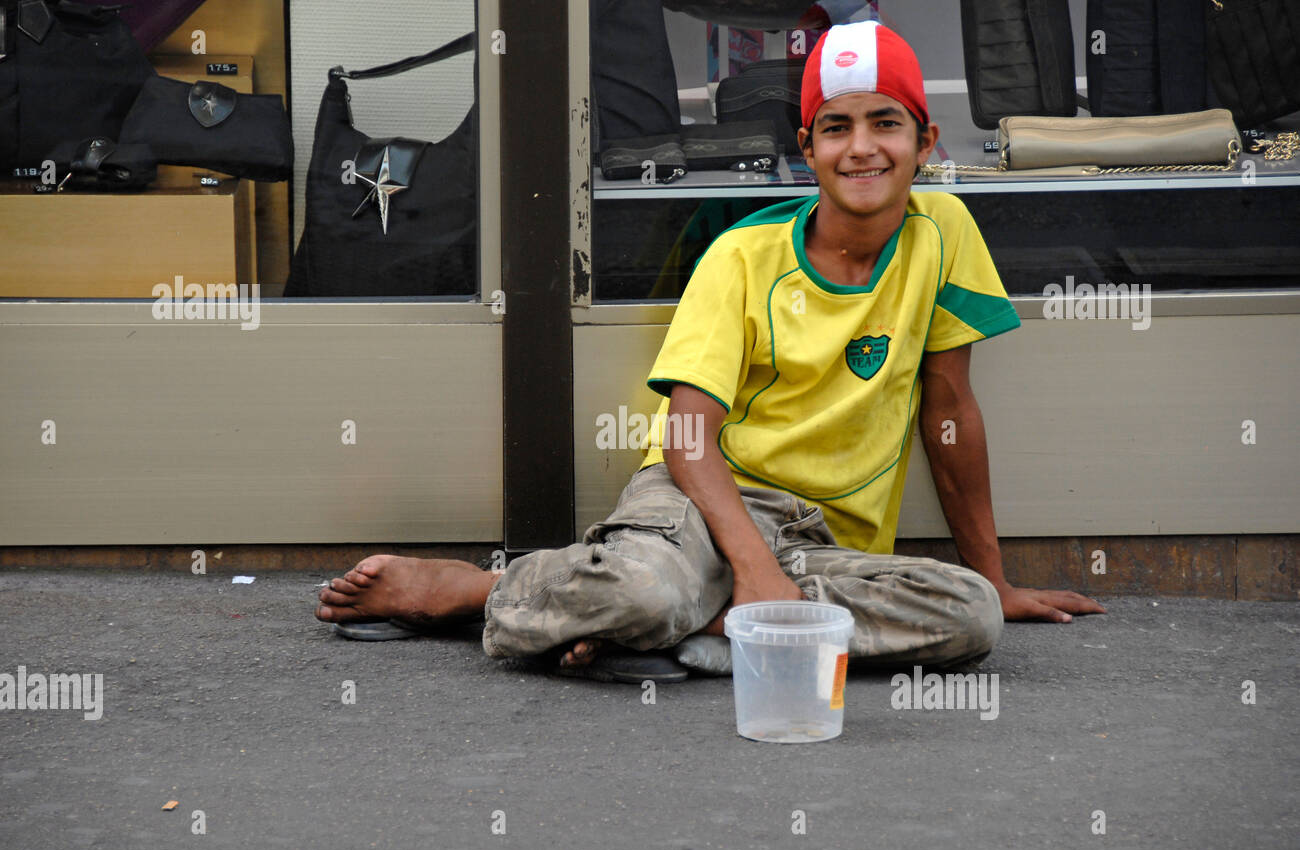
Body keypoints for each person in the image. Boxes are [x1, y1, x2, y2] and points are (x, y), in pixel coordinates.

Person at [314, 20, 1105, 680]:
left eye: (885, 122)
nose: (862, 148)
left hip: (824, 544)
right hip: (700, 500)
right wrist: (751, 563)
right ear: (807, 147)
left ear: (925, 141)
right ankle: (481, 589)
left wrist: (994, 578)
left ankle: (681, 624)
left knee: (967, 615)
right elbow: (689, 435)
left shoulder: (946, 235)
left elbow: (949, 410)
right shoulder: (743, 255)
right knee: (649, 590)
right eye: (837, 126)